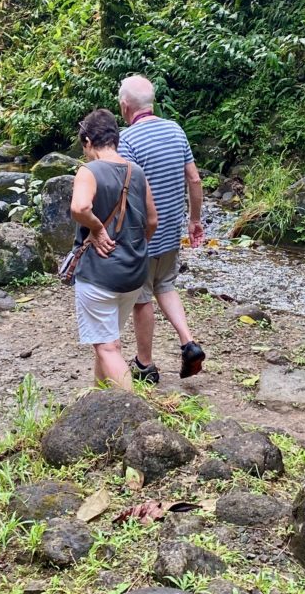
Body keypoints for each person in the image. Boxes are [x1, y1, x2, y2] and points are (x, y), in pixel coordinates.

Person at [116, 75, 206, 382]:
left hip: (143, 234)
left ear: (125, 106)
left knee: (142, 298)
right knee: (165, 286)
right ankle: (188, 343)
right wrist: (194, 220)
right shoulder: (175, 129)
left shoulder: (127, 140)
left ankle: (145, 365)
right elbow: (194, 179)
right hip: (170, 230)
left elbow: (127, 192)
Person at [69, 108, 158, 392]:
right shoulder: (136, 171)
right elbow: (152, 221)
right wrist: (134, 246)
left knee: (107, 348)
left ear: (87, 141)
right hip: (133, 274)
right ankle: (100, 398)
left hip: (100, 274)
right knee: (107, 341)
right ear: (115, 139)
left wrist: (96, 229)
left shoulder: (89, 171)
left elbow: (80, 208)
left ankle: (132, 408)